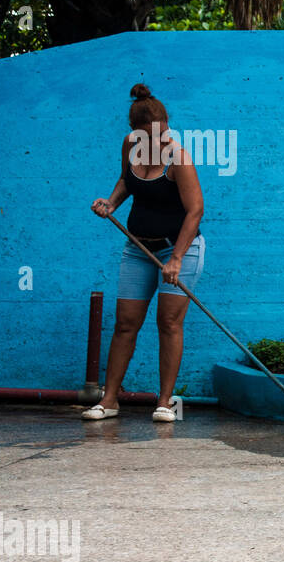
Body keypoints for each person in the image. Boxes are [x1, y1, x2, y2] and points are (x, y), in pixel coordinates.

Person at [85, 84, 205, 421]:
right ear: (136, 132)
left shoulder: (178, 157)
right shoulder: (130, 146)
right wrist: (111, 203)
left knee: (168, 322)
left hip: (179, 249)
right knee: (126, 323)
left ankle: (164, 403)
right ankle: (109, 400)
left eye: (165, 131)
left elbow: (195, 210)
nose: (161, 139)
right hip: (138, 248)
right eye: (153, 135)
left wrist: (176, 258)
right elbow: (127, 180)